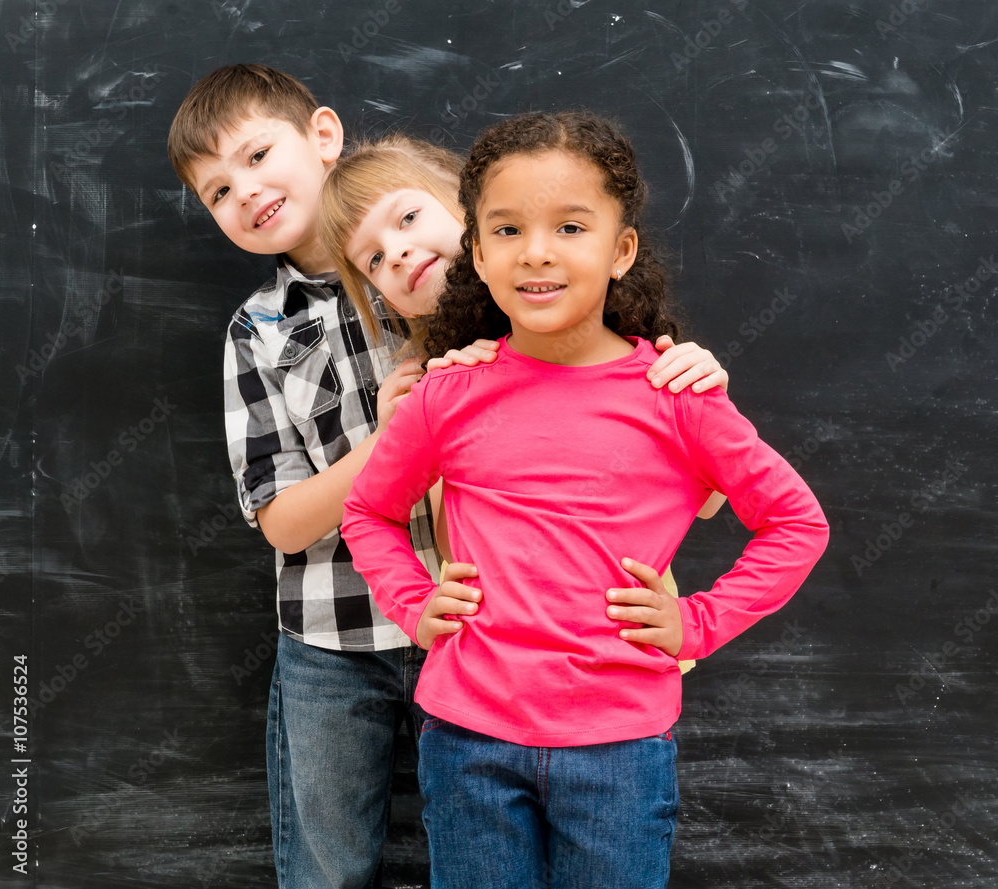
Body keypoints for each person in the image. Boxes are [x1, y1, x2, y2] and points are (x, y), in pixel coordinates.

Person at [166, 67, 728, 889]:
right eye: (219, 189)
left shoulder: (508, 293)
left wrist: (696, 385)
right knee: (330, 864)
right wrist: (397, 432)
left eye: (257, 155)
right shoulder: (263, 327)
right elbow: (286, 518)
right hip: (339, 636)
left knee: (491, 847)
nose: (247, 190)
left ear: (324, 136)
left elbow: (696, 482)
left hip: (502, 646)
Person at [341, 111, 830, 889]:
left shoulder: (676, 392)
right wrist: (411, 601)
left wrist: (697, 621)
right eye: (506, 230)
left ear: (621, 249)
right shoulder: (451, 393)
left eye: (571, 226)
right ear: (477, 252)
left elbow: (795, 522)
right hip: (468, 744)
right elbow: (368, 512)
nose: (536, 251)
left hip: (619, 752)